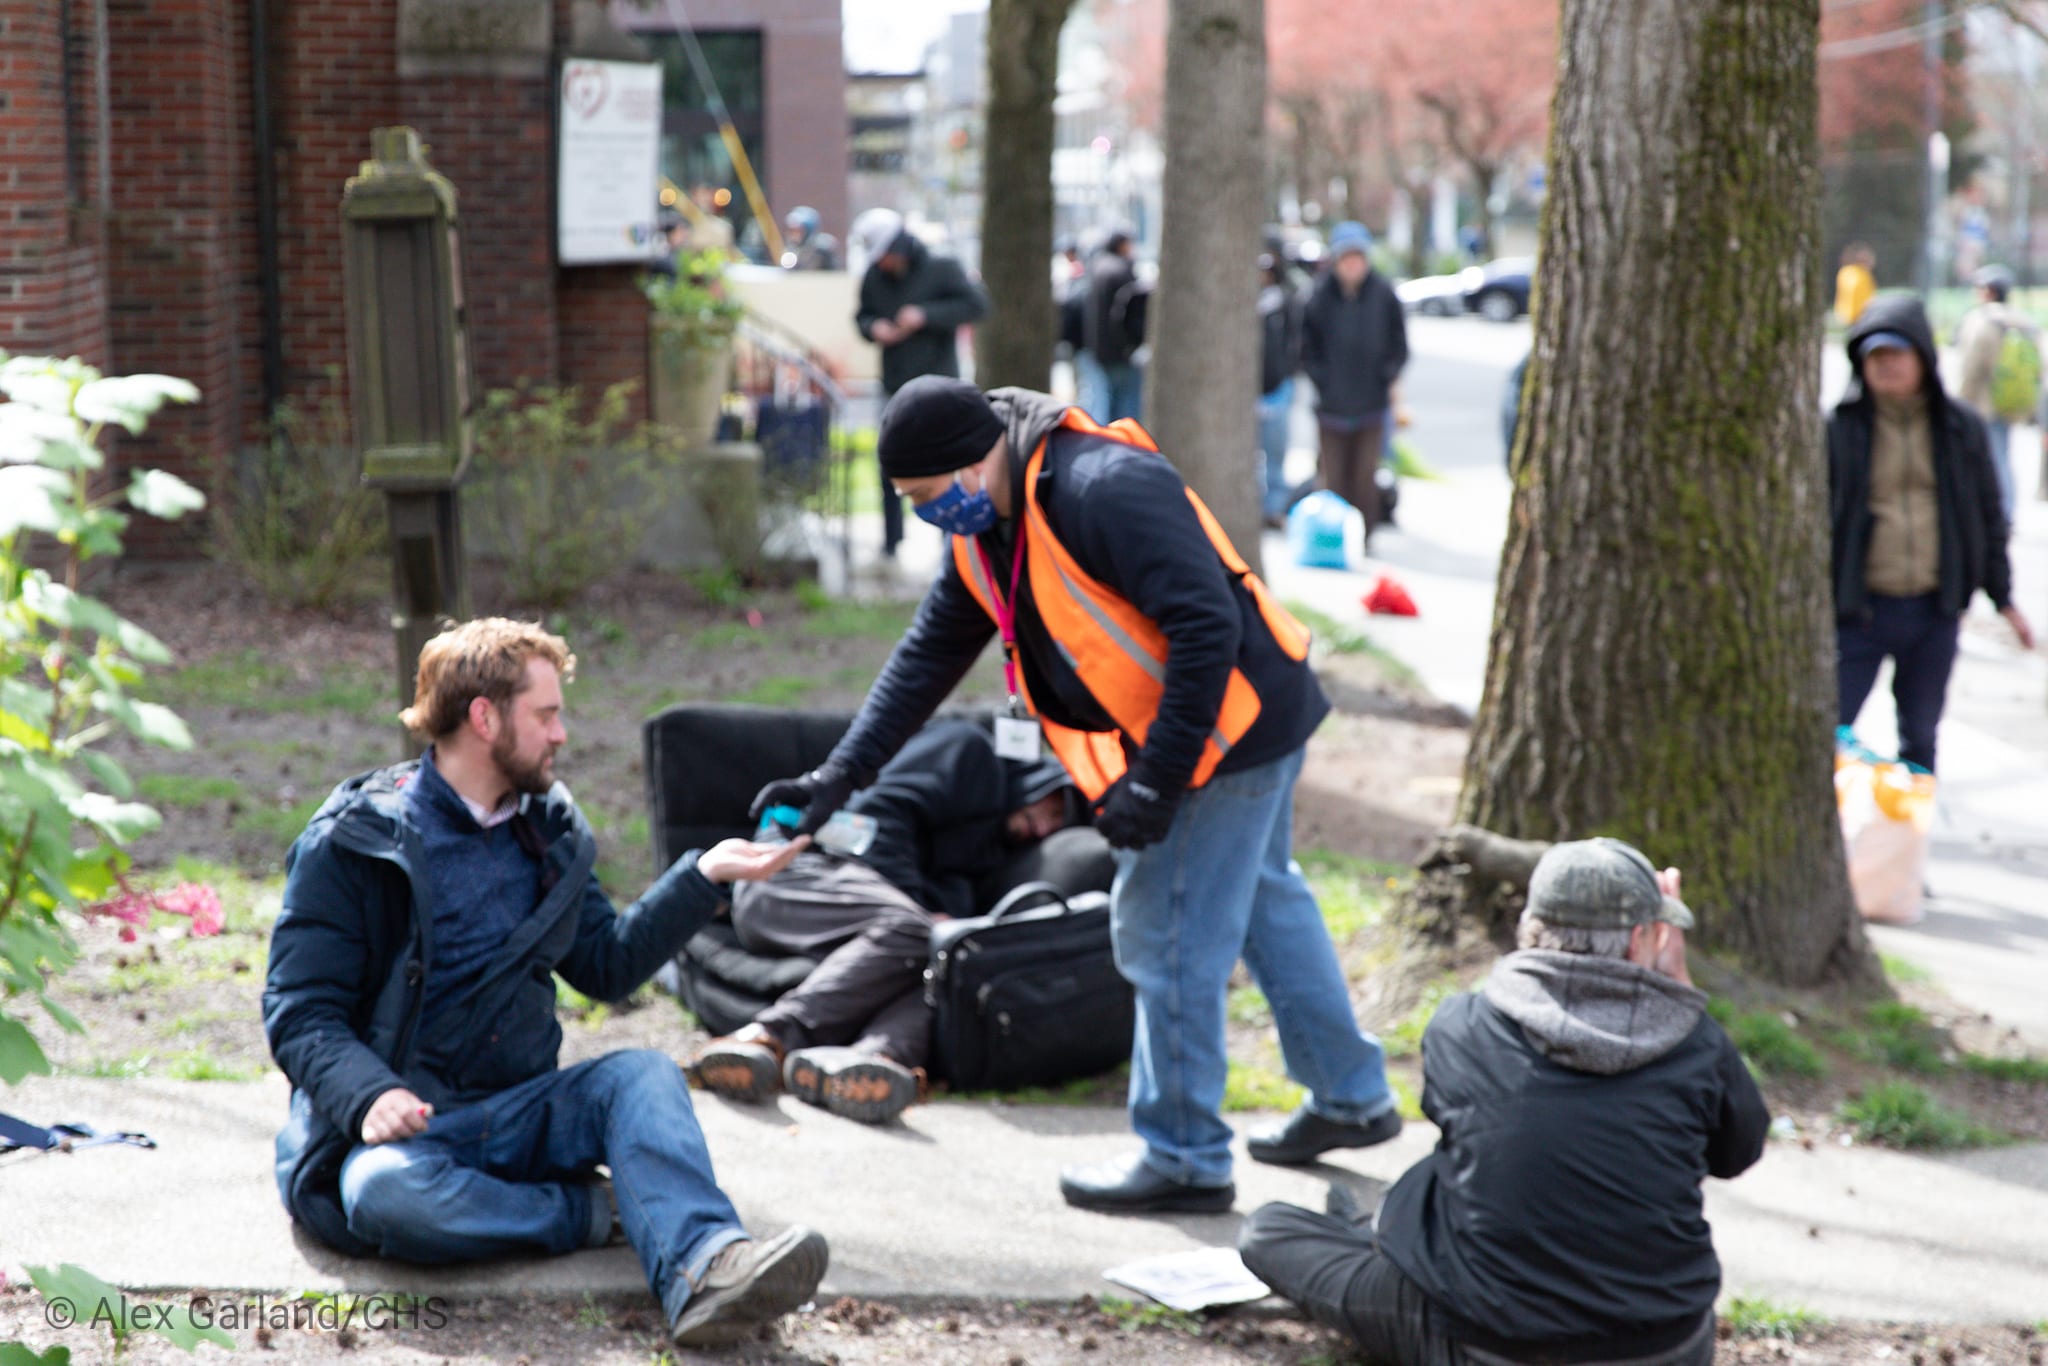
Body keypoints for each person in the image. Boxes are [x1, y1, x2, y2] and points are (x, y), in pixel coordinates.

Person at [747, 376, 1401, 1213]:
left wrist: (1158, 778)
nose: (923, 515)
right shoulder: (990, 526)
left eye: (924, 496)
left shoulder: (1103, 487)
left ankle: (1185, 1155)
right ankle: (1352, 1097)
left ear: (969, 465)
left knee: (1163, 929)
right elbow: (924, 662)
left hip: (1227, 726)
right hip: (1231, 721)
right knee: (1265, 901)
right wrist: (835, 778)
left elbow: (1208, 625)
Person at [263, 619, 828, 1347]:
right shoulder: (353, 841)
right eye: (547, 714)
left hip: (524, 1112)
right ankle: (595, 1214)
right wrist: (368, 1093)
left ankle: (706, 1267)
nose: (562, 734)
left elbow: (606, 964)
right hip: (413, 1138)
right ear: (484, 717)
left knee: (644, 1075)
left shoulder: (549, 833)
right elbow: (300, 1010)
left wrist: (701, 877)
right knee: (383, 1193)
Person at [1241, 838, 1768, 1366]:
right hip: (1666, 1348)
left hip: (1488, 1348)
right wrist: (1680, 990)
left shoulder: (1464, 1027)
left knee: (1269, 1229)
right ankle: (1369, 1233)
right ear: (1640, 940)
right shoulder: (1696, 1044)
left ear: (1530, 926)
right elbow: (1738, 1152)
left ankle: (1367, 1235)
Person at [690, 719, 1111, 1124]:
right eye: (1053, 811)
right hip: (789, 872)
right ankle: (770, 1036)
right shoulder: (969, 752)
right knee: (919, 932)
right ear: (1046, 781)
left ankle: (873, 1062)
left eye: (1058, 827)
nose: (1045, 830)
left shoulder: (986, 859)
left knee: (944, 962)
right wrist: (923, 912)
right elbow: (878, 814)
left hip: (860, 925)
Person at [1831, 296, 2034, 774]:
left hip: (1933, 610)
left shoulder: (1960, 427)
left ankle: (1906, 841)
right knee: (1831, 731)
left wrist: (2002, 597)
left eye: (1897, 354)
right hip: (1858, 608)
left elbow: (1986, 516)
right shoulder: (1840, 428)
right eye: (1876, 357)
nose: (1887, 367)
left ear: (1922, 356)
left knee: (1920, 738)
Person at [851, 208, 991, 558]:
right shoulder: (874, 276)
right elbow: (863, 315)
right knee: (890, 462)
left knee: (946, 464)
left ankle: (950, 544)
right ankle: (891, 539)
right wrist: (874, 328)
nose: (883, 264)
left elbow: (976, 305)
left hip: (938, 385)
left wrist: (926, 316)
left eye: (885, 256)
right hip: (894, 384)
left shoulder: (942, 266)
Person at [1302, 221, 1408, 537]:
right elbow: (1306, 348)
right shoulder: (1319, 296)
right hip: (1331, 404)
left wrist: (1387, 377)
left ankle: (1364, 533)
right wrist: (1323, 382)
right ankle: (1333, 534)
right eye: (1346, 258)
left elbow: (1398, 344)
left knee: (1365, 474)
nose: (1352, 265)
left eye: (1358, 258)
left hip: (1371, 403)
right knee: (1333, 476)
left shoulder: (1384, 294)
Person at [1954, 263, 2037, 521]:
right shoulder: (2024, 321)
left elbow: (1971, 366)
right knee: (2004, 453)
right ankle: (2008, 507)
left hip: (1984, 402)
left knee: (1991, 456)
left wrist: (1960, 403)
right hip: (2013, 401)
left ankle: (1999, 513)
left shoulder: (1981, 320)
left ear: (1989, 291)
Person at [1078, 228, 1147, 426]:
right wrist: (1132, 344)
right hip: (1121, 351)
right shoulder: (1122, 270)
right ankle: (1124, 446)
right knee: (1126, 406)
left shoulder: (1096, 268)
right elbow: (1131, 313)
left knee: (1103, 402)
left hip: (1098, 350)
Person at [1258, 251, 1305, 527]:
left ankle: (1273, 508)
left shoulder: (1285, 302)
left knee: (1275, 451)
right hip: (1251, 390)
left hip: (1278, 387)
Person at [781, 205, 841, 271]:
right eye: (791, 231)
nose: (794, 235)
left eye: (798, 231)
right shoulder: (790, 251)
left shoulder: (822, 250)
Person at [1834, 242, 1877, 327]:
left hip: (1843, 315)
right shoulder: (1863, 275)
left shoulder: (1844, 272)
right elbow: (1868, 300)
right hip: (1860, 316)